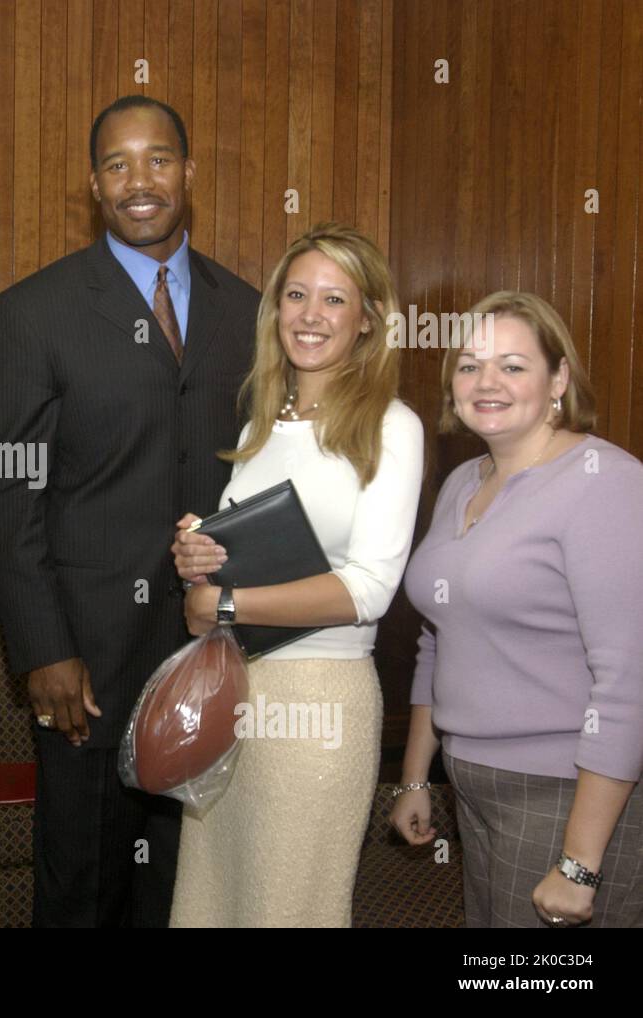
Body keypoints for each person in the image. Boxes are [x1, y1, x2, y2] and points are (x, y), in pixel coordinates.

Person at [0, 94, 260, 927]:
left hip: (212, 651)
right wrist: (43, 650)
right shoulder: (31, 312)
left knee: (189, 880)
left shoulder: (248, 310)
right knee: (83, 881)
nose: (140, 181)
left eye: (159, 159)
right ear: (94, 185)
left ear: (190, 172)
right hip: (85, 665)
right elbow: (6, 491)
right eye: (117, 164)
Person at [171, 223, 424, 927]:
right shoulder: (263, 426)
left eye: (335, 299)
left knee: (287, 909)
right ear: (275, 308)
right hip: (235, 697)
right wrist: (200, 552)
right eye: (297, 294)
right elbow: (257, 556)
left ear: (368, 319)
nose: (311, 315)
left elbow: (368, 588)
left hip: (318, 708)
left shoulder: (389, 426)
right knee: (214, 906)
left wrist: (222, 604)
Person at [391, 291, 643, 928]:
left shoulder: (606, 482)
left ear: (558, 379)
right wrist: (417, 777)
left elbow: (629, 681)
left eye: (513, 365)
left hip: (566, 792)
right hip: (471, 785)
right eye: (471, 365)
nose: (487, 382)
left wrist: (581, 863)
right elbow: (437, 638)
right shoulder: (462, 482)